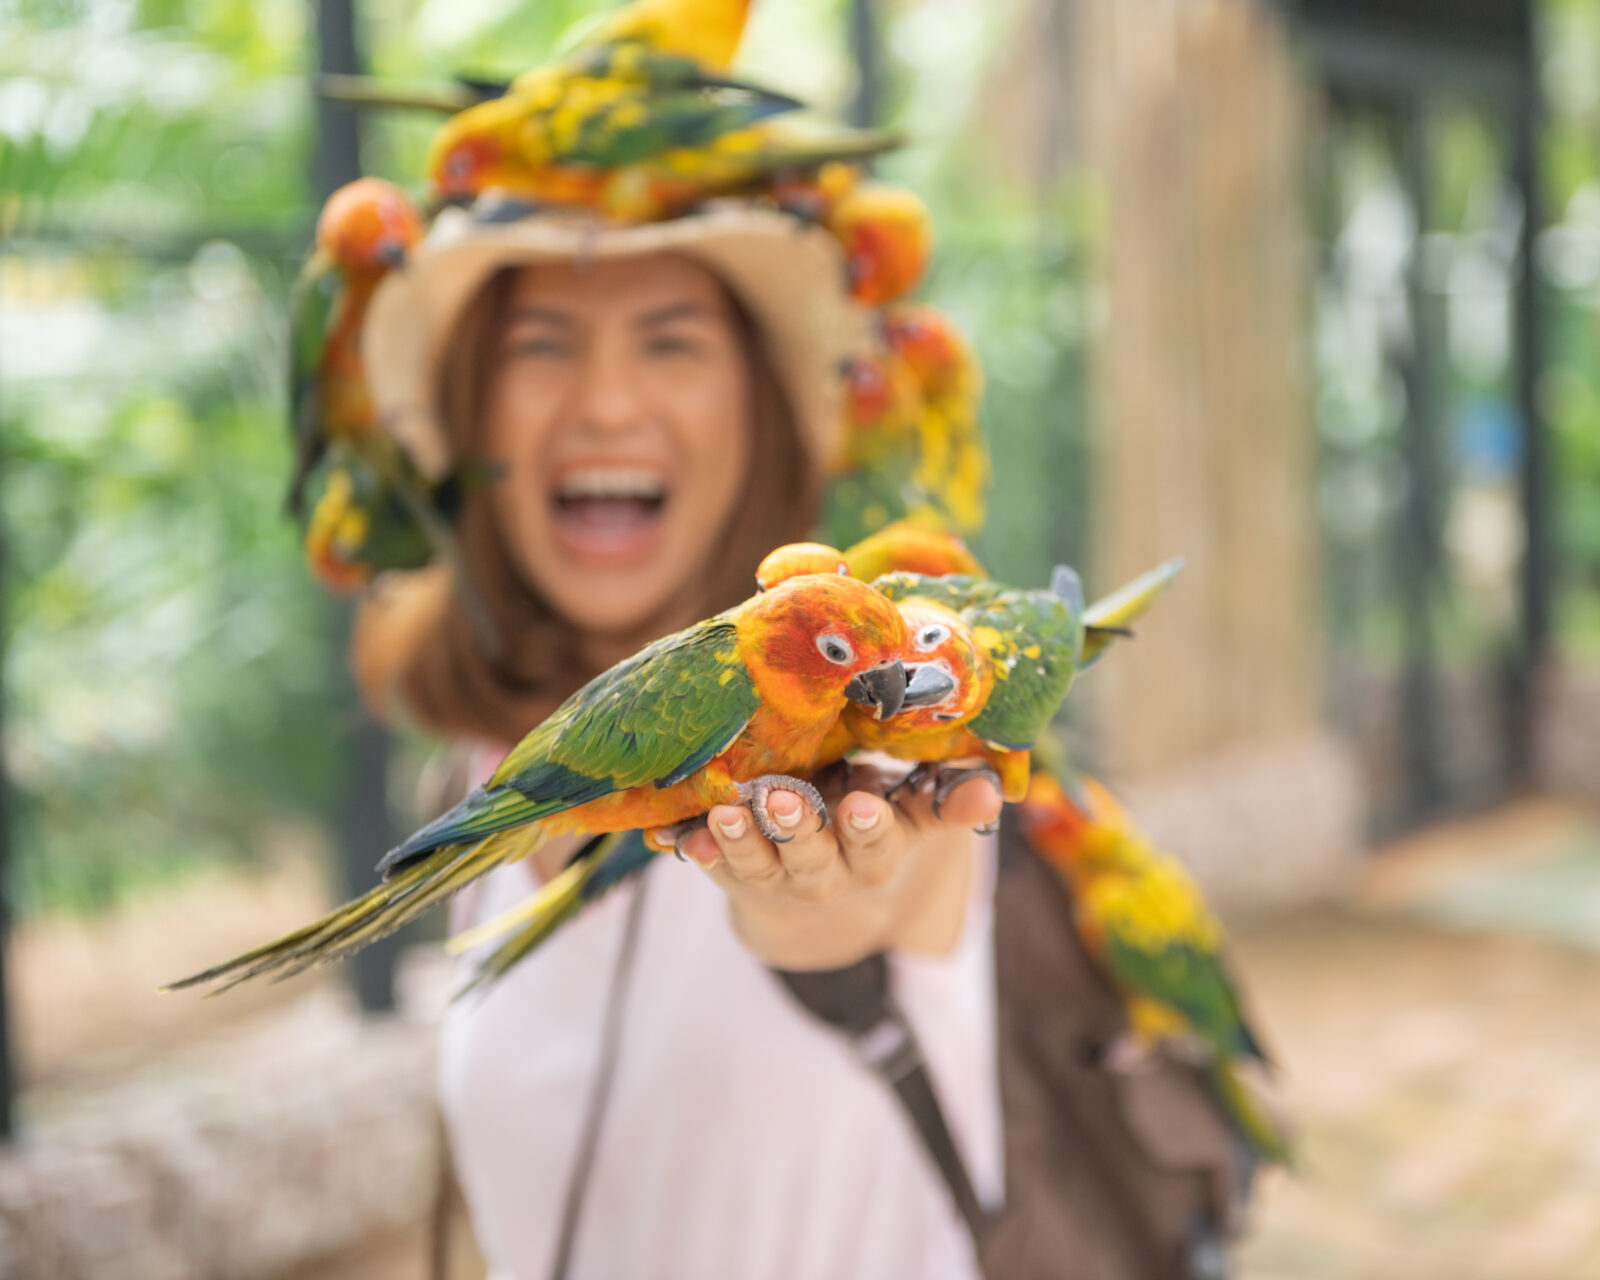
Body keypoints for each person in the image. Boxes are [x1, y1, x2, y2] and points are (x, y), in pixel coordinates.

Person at [329, 15, 1255, 1280]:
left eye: (671, 339)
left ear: (767, 405)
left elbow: (881, 885)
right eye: (541, 342)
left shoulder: (861, 719)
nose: (604, 400)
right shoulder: (488, 772)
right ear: (474, 420)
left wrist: (830, 887)